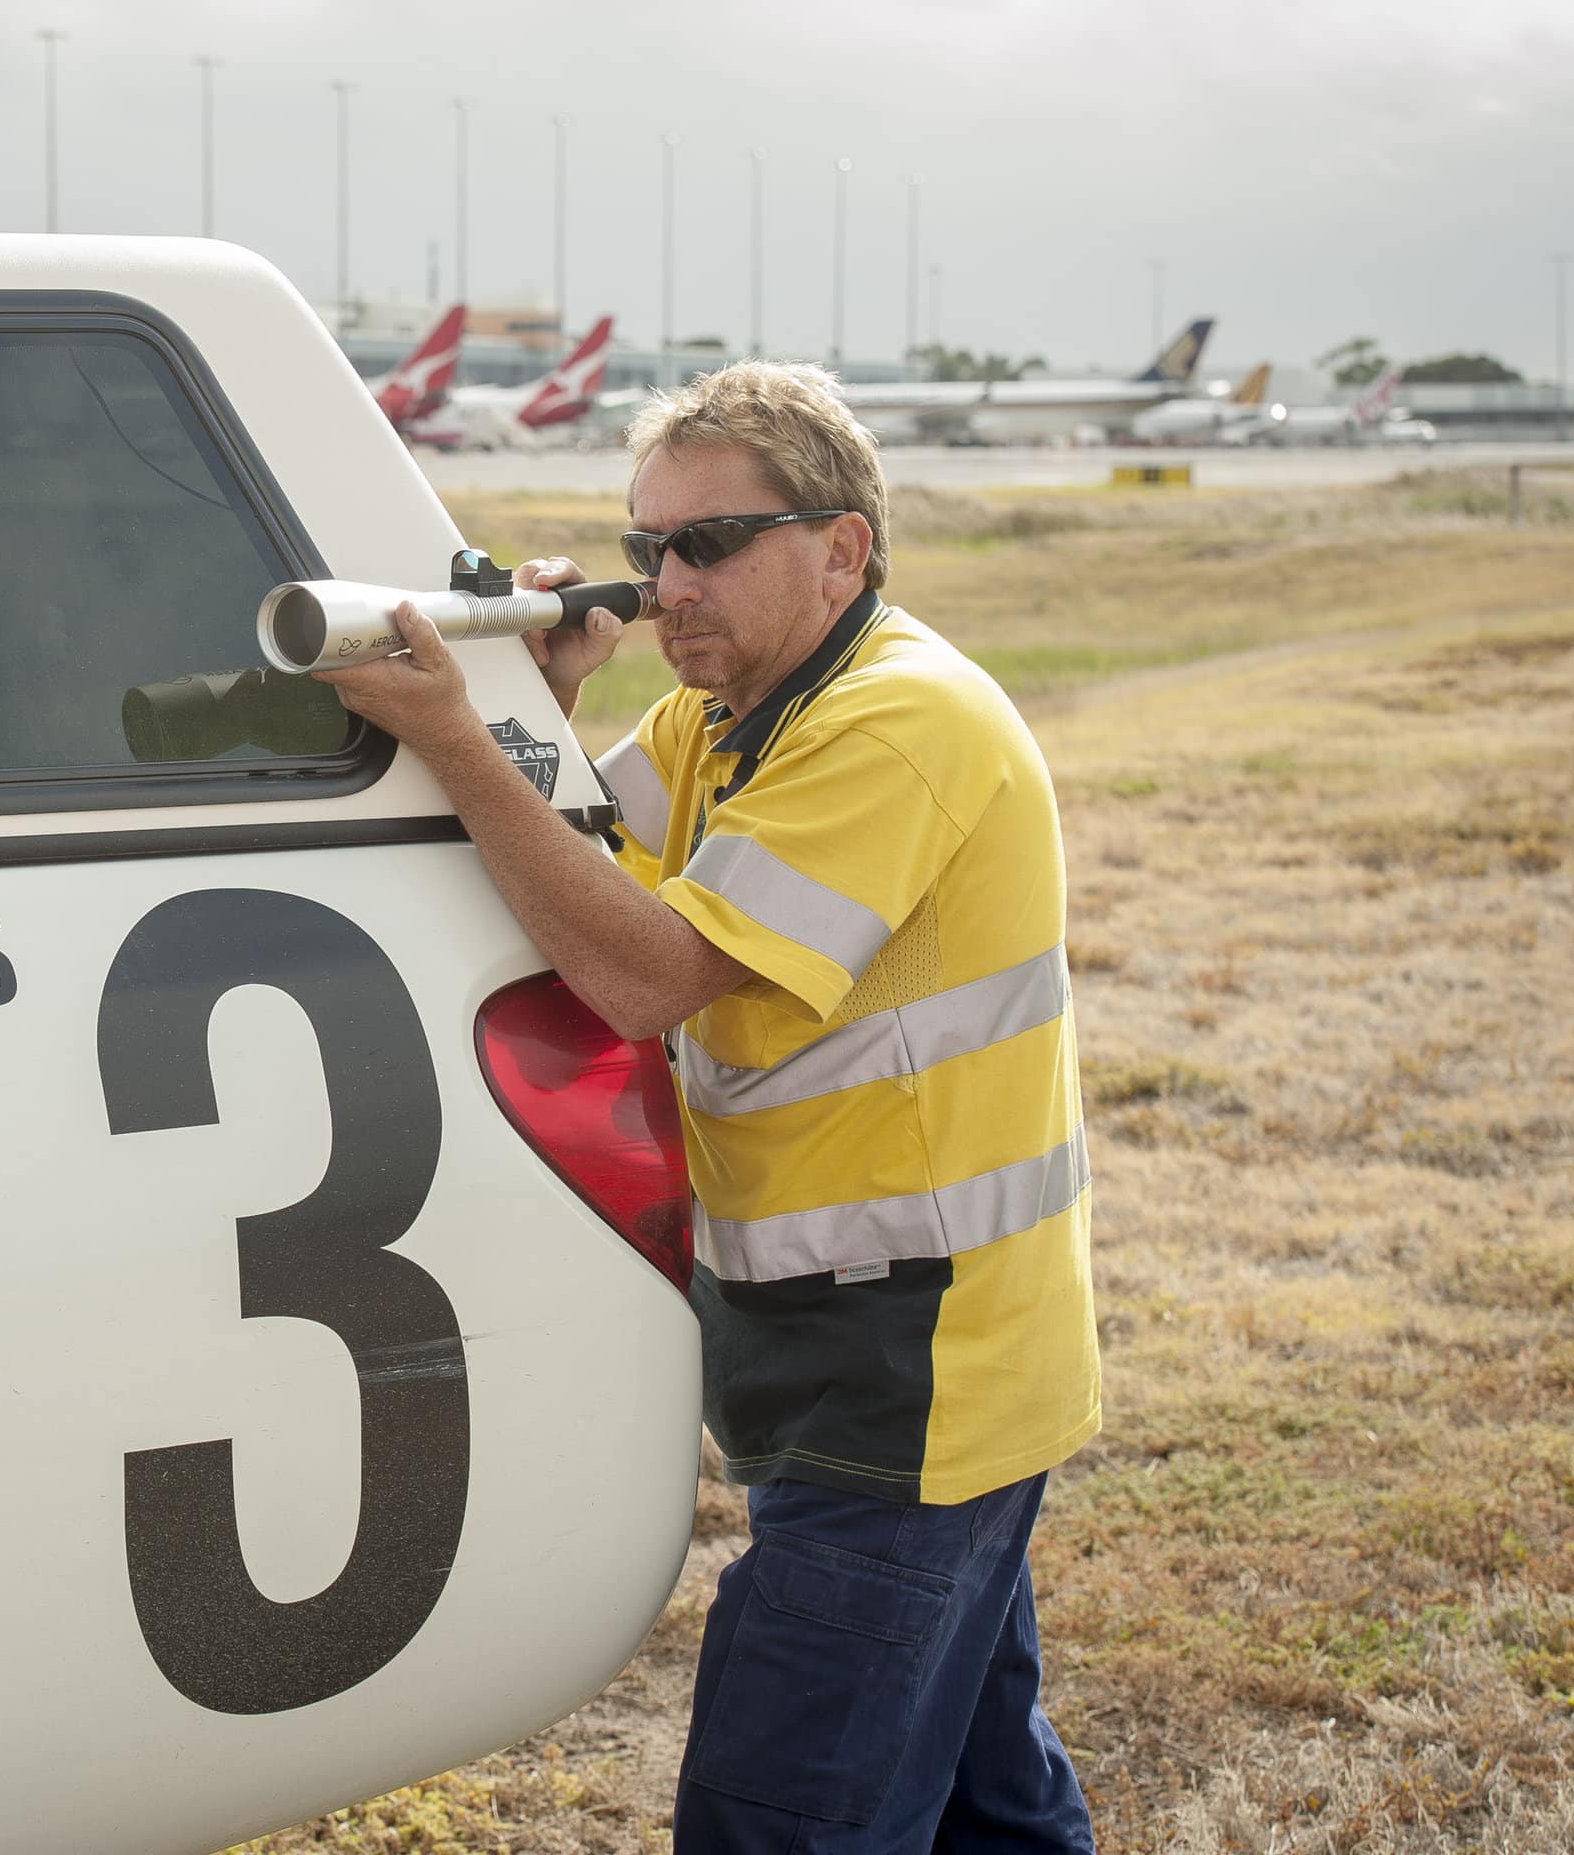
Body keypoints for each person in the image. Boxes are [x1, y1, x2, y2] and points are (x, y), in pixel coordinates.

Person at [317, 361, 1100, 1853]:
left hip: (916, 1359)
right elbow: (577, 870)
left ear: (841, 550)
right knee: (982, 1801)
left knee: (782, 1812)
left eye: (711, 543)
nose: (668, 583)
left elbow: (643, 973)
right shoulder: (729, 712)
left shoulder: (897, 720)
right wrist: (536, 712)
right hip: (839, 1330)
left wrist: (460, 741)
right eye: (648, 546)